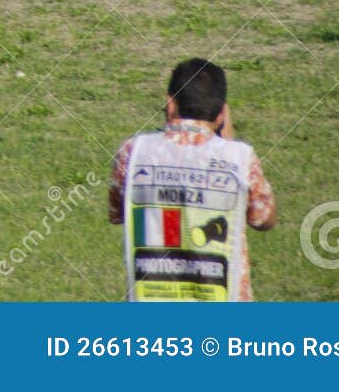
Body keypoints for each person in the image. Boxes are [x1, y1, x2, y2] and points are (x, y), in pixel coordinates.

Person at [108, 58, 276, 301]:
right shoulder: (239, 158)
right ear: (221, 116)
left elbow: (117, 214)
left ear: (170, 105)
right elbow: (263, 219)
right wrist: (226, 149)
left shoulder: (132, 152)